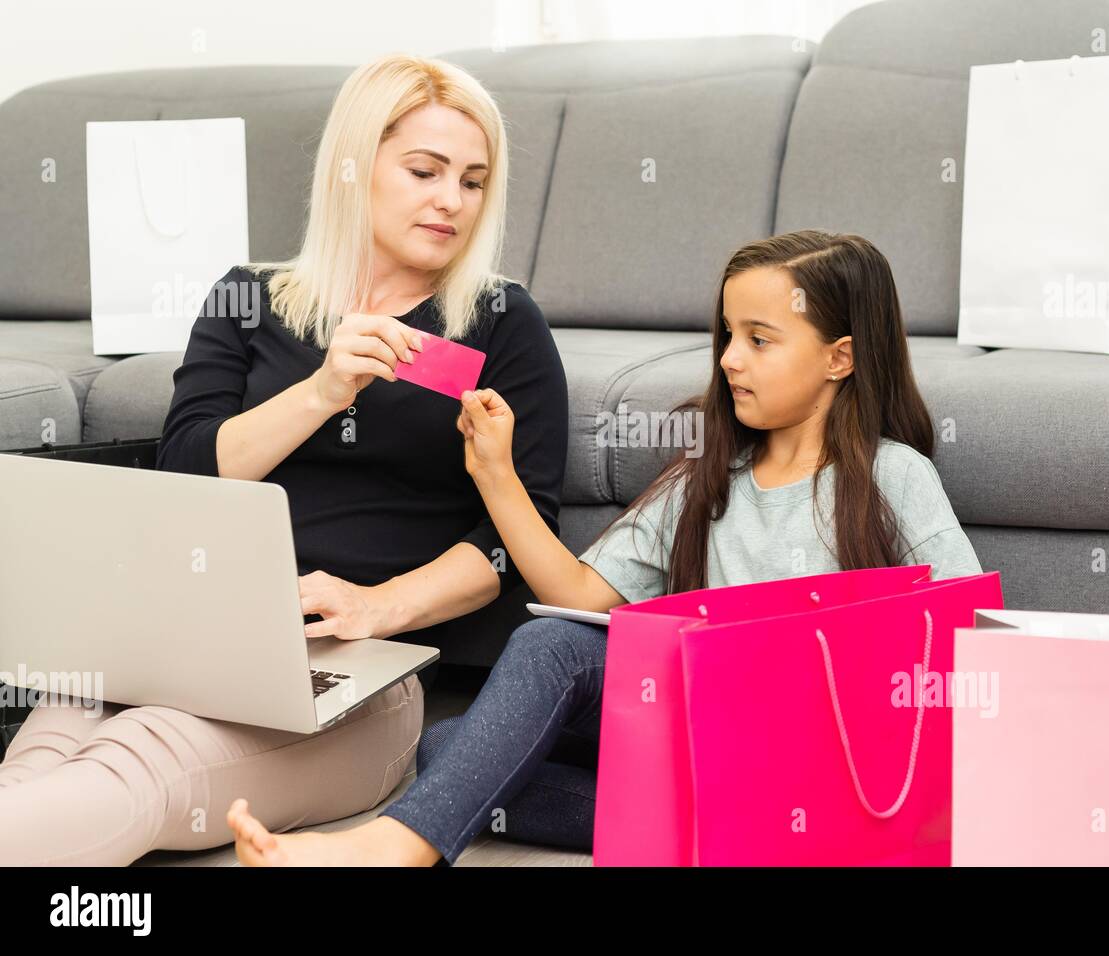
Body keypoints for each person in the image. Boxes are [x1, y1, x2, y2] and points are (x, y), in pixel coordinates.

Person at [227, 228, 982, 866]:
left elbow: (965, 634)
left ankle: (391, 848)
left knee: (486, 743)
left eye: (759, 341)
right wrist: (495, 473)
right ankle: (730, 833)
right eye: (728, 337)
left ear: (839, 359)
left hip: (824, 757)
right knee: (459, 739)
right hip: (709, 746)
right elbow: (582, 595)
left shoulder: (893, 475)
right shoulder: (709, 478)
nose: (729, 360)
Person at [0, 53, 567, 866]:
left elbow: (515, 541)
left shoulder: (502, 321)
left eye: (473, 181)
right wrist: (324, 390)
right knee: (49, 744)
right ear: (353, 167)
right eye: (424, 170)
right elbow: (188, 473)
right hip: (191, 634)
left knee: (138, 762)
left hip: (360, 676)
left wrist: (378, 606)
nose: (451, 200)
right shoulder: (248, 298)